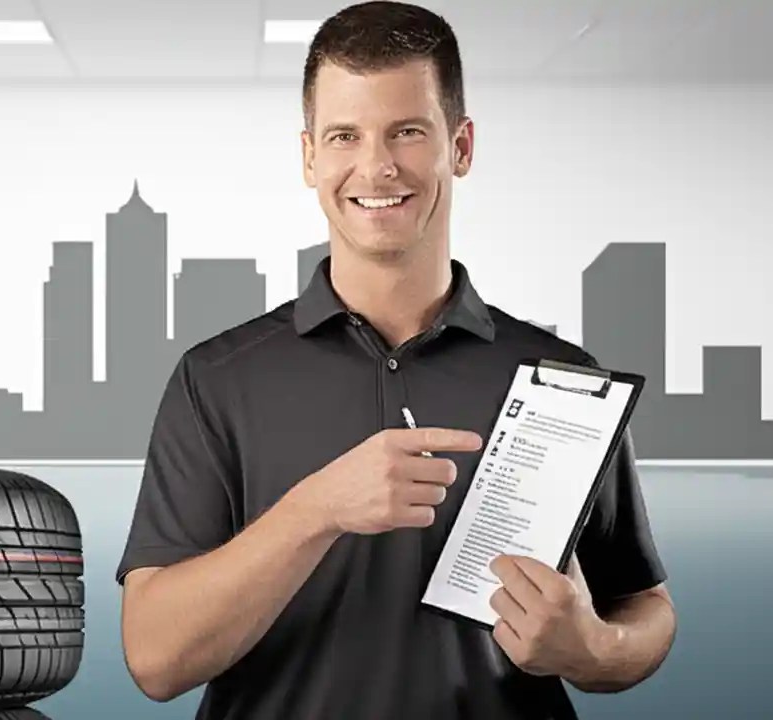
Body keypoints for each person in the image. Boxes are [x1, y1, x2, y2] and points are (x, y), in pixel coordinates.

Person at [114, 2, 677, 718]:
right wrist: (316, 510)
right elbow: (155, 661)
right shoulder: (215, 380)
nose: (377, 166)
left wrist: (591, 648)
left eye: (408, 132)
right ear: (310, 156)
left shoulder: (564, 382)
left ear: (461, 147)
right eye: (344, 135)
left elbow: (645, 606)